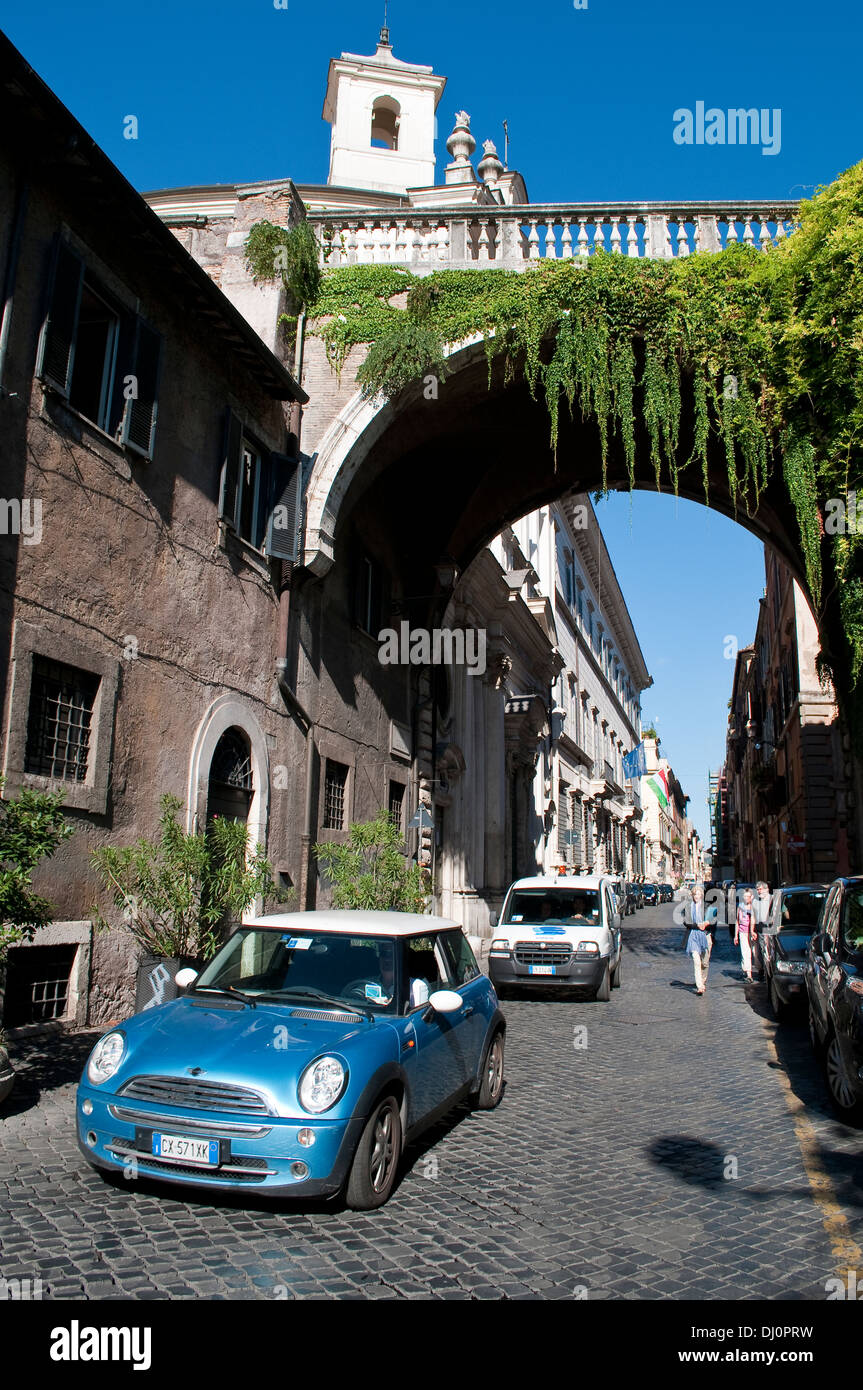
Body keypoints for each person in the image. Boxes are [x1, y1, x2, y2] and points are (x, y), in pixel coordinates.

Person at [685, 884, 714, 995]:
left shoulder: (707, 906)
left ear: (701, 895)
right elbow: (686, 922)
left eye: (698, 894)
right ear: (692, 896)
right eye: (694, 894)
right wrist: (697, 926)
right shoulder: (689, 907)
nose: (696, 896)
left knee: (705, 962)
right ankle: (700, 985)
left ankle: (703, 979)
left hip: (706, 936)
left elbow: (713, 920)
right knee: (697, 962)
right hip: (693, 936)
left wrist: (707, 923)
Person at [734, 887, 757, 981]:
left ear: (751, 897)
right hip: (743, 932)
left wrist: (752, 931)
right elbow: (737, 921)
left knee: (755, 953)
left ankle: (760, 970)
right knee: (745, 952)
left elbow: (754, 920)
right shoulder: (740, 906)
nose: (746, 898)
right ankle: (749, 974)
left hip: (753, 933)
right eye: (744, 896)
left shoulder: (755, 907)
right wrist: (736, 935)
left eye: (748, 896)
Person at [751, 881, 771, 978]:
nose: (758, 891)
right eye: (757, 889)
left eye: (760, 889)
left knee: (768, 951)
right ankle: (763, 970)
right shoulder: (755, 901)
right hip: (760, 930)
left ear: (766, 889)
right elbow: (753, 917)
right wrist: (752, 930)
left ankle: (768, 970)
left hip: (771, 929)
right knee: (761, 950)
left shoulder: (772, 899)